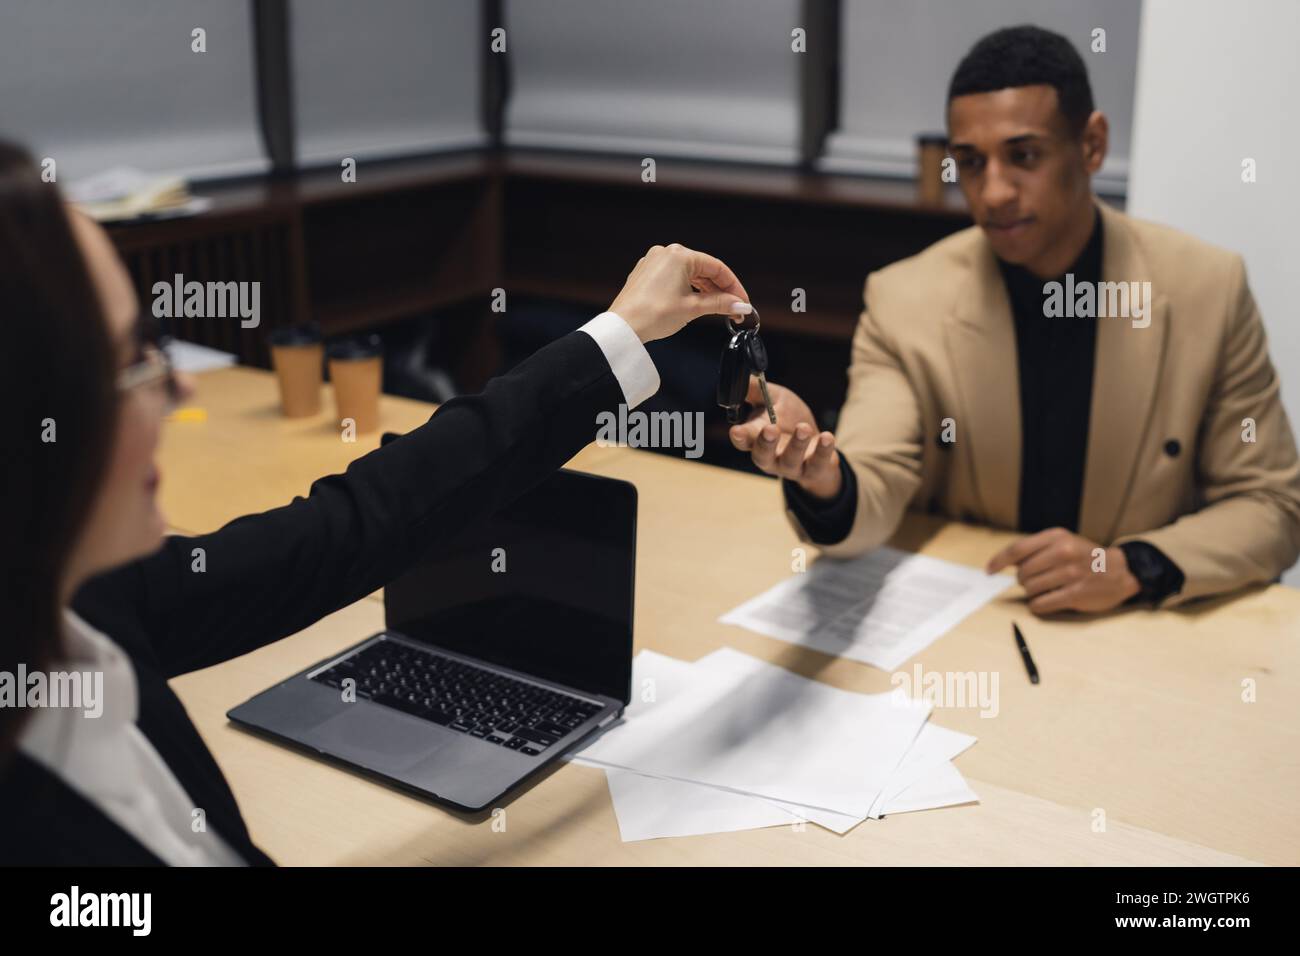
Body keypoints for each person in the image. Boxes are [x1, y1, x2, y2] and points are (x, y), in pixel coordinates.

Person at [0, 139, 750, 865]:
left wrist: (619, 336)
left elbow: (359, 522)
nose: (181, 387)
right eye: (133, 359)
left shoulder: (77, 600)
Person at [731, 24, 1300, 613]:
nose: (993, 191)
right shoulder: (905, 299)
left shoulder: (1207, 287)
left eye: (1023, 156)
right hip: (973, 621)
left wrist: (1133, 565)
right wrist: (823, 476)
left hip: (1138, 631)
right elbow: (877, 475)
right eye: (970, 163)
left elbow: (1272, 506)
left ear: (1092, 144)